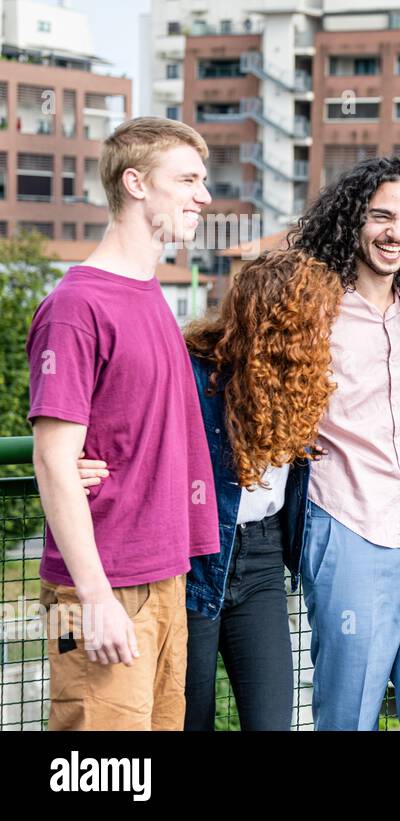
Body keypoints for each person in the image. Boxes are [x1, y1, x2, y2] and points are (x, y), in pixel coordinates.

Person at [28, 117, 219, 730]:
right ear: (135, 184)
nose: (204, 196)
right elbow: (54, 459)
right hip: (104, 588)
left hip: (164, 580)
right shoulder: (75, 307)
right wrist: (93, 597)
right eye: (187, 179)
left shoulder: (151, 294)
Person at [286, 156, 400, 731]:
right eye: (382, 216)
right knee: (349, 712)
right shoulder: (312, 309)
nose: (397, 233)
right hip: (347, 521)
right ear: (352, 220)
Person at [181, 249, 341, 730]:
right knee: (190, 718)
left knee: (272, 720)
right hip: (194, 555)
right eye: (316, 321)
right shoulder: (193, 373)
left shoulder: (303, 381)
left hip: (263, 557)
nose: (327, 332)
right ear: (282, 324)